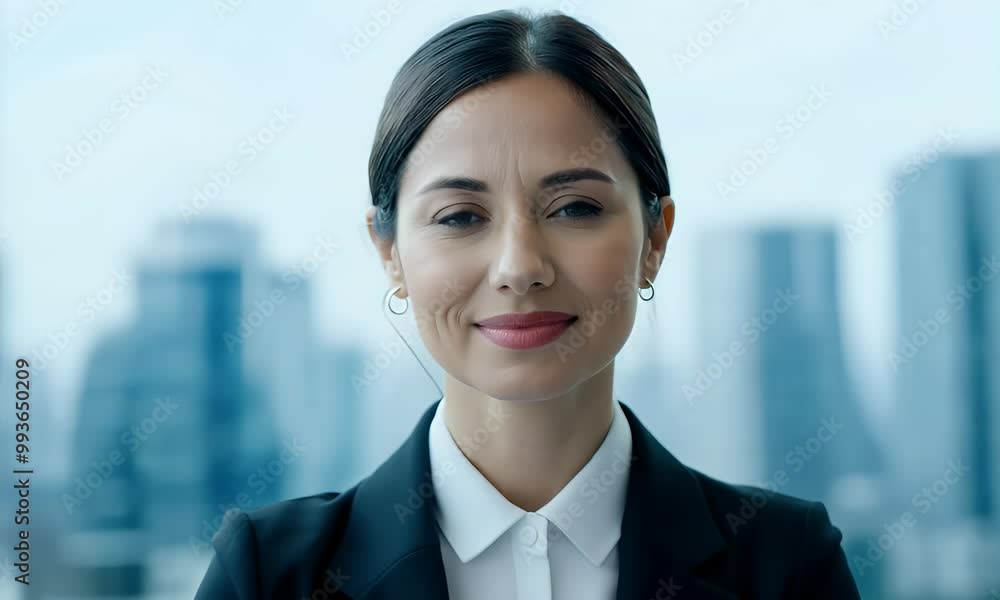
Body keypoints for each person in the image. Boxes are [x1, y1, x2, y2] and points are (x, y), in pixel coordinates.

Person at [195, 8, 861, 599]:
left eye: (575, 207)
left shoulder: (785, 565)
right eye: (459, 216)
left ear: (655, 238)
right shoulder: (270, 575)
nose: (520, 267)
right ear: (389, 252)